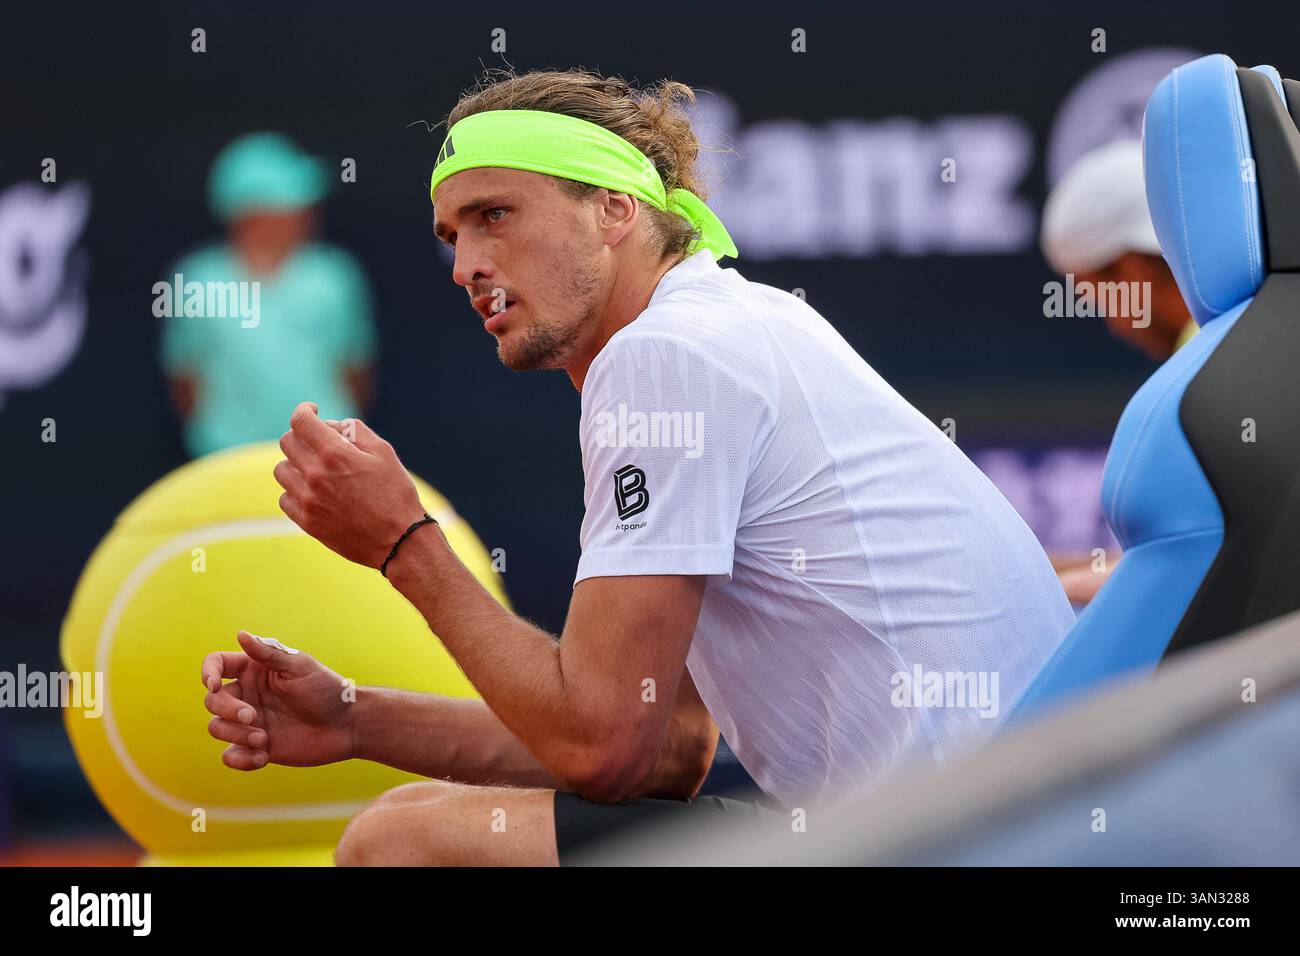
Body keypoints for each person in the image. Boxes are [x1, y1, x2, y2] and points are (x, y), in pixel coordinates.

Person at [201, 69, 1076, 866]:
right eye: (452, 233)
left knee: (399, 844)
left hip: (969, 839)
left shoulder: (665, 357)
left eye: (495, 215)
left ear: (615, 210)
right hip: (1007, 820)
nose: (466, 265)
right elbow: (666, 748)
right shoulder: (726, 322)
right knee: (420, 816)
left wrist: (403, 542)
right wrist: (354, 717)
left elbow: (602, 750)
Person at [1041, 139, 1199, 603]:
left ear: (1131, 273)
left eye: (1094, 297)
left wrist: (1036, 586)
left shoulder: (1205, 374)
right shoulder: (1254, 332)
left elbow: (1190, 575)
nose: (1112, 323)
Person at [161, 132, 377, 458]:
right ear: (251, 212)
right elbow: (185, 379)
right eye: (292, 199)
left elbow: (356, 369)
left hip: (324, 458)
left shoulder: (335, 277)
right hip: (224, 461)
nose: (307, 209)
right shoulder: (195, 280)